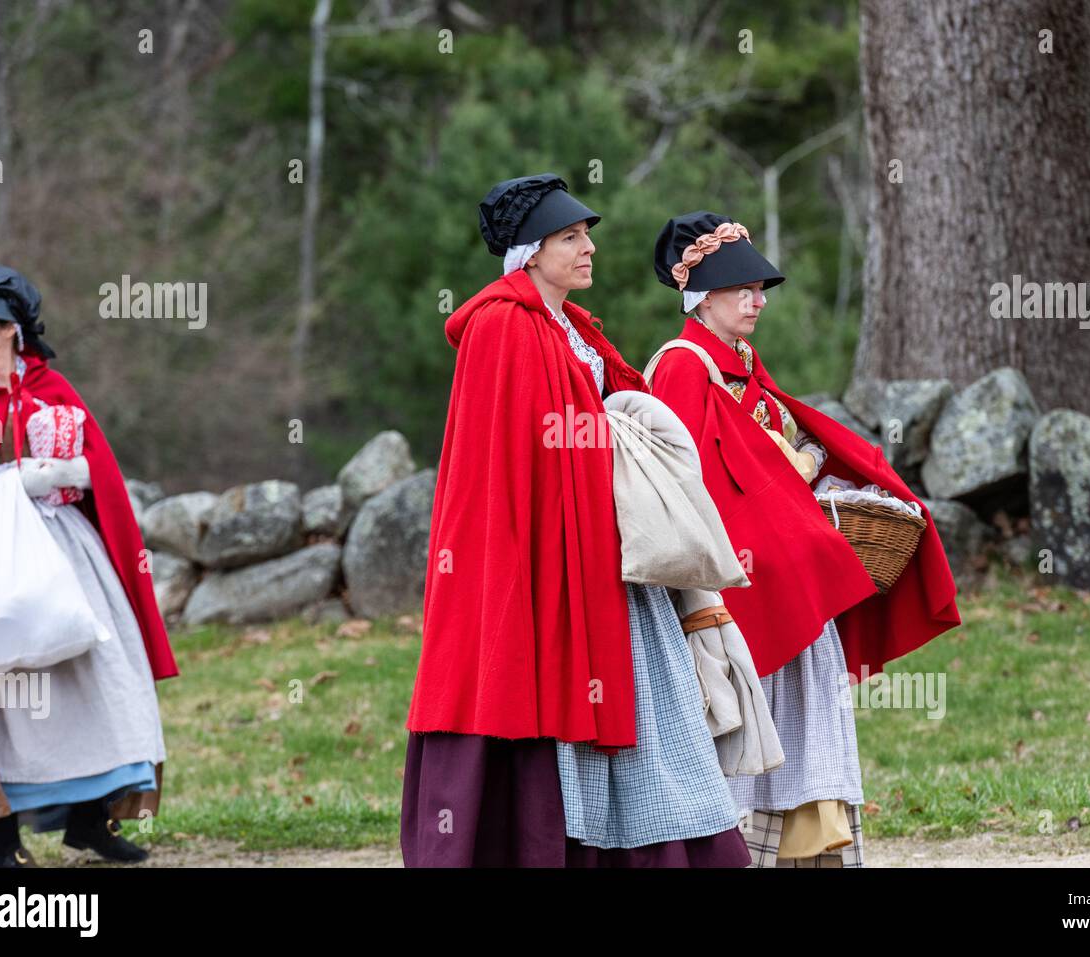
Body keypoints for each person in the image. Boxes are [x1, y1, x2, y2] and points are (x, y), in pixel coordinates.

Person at [401, 176, 749, 867]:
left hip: (600, 551)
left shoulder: (573, 327)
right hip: (540, 557)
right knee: (542, 696)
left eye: (586, 234)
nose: (589, 248)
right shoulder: (502, 325)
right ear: (530, 253)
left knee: (654, 706)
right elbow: (510, 462)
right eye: (571, 237)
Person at [645, 212, 961, 866]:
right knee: (741, 733)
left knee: (803, 707)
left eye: (760, 288)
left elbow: (787, 450)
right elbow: (684, 489)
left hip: (785, 581)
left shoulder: (743, 366)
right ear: (702, 294)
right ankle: (736, 852)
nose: (758, 300)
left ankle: (808, 853)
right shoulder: (682, 367)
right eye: (743, 288)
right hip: (730, 598)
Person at [0, 264, 177, 867]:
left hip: (66, 554)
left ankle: (90, 823)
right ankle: (3, 840)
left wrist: (64, 476)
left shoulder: (52, 389)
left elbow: (97, 471)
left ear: (11, 329)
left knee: (97, 677)